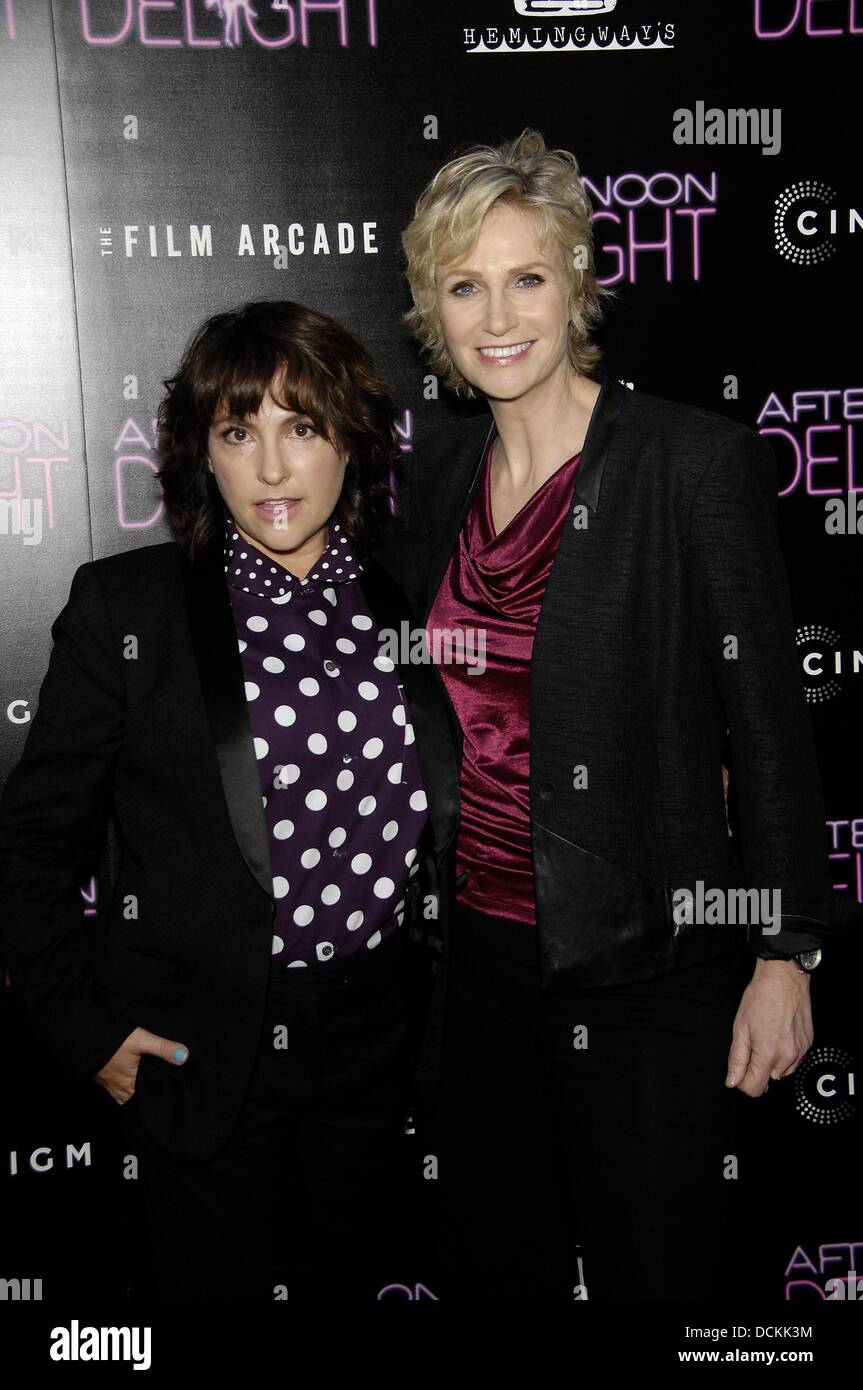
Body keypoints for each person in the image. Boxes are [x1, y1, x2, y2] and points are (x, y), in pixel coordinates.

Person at [375, 129, 851, 1300]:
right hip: (476, 967)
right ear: (432, 307)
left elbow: (769, 731)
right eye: (465, 283)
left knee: (657, 1279)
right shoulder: (431, 475)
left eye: (526, 277)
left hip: (644, 964)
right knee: (498, 1275)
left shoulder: (689, 463)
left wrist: (784, 952)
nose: (498, 314)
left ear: (576, 285)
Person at [0, 298, 452, 1302]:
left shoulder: (411, 595)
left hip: (375, 1045)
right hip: (202, 1050)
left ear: (353, 442)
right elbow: (32, 841)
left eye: (303, 427)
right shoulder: (131, 610)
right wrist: (84, 1031)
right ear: (205, 454)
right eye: (239, 432)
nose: (274, 468)